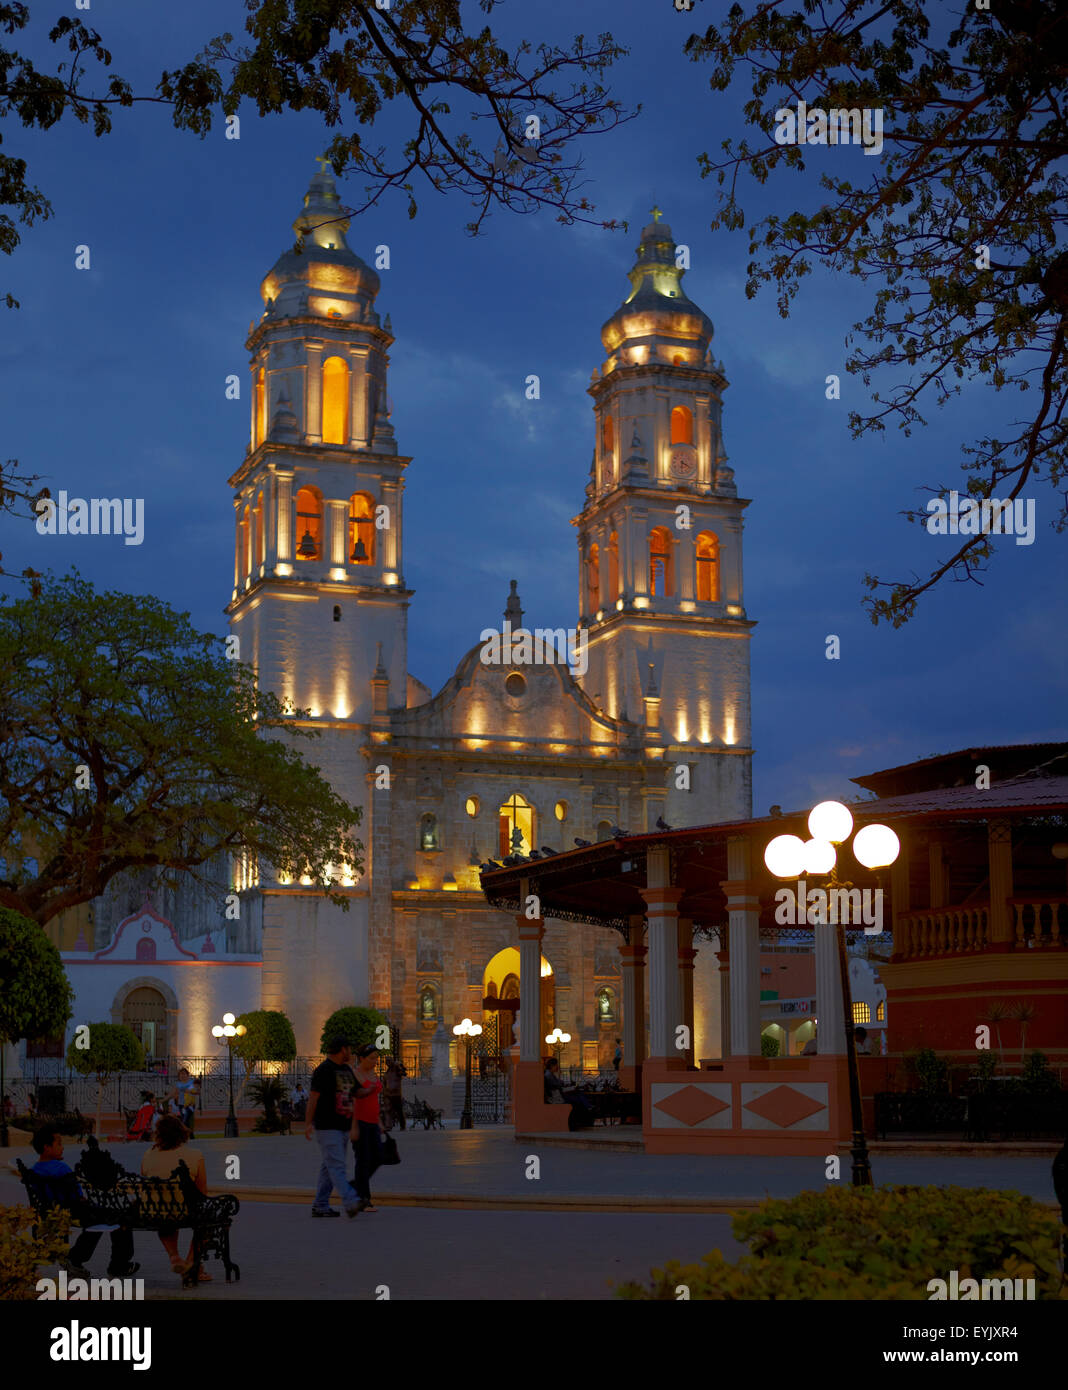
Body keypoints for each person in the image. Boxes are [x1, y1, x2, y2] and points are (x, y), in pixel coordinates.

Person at [31, 1126, 139, 1277]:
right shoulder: (61, 1168)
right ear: (47, 1148)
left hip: (54, 1210)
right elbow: (77, 1195)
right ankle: (117, 1264)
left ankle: (76, 1259)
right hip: (74, 1209)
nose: (62, 1148)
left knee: (102, 1218)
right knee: (119, 1217)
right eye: (59, 1144)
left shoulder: (35, 1170)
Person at [140, 1114, 210, 1281]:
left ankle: (174, 1256)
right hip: (183, 1211)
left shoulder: (148, 1154)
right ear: (182, 1133)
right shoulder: (195, 1155)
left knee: (166, 1214)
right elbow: (202, 1192)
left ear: (159, 1134)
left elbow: (144, 1177)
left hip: (153, 1211)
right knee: (211, 1220)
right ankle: (192, 1263)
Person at [306, 1038, 362, 1219]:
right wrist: (308, 1123)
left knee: (328, 1166)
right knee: (337, 1166)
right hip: (327, 1126)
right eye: (349, 1049)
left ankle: (320, 1204)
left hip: (343, 1125)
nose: (351, 1053)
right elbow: (313, 1098)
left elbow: (356, 1093)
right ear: (342, 1050)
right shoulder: (323, 1070)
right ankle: (351, 1200)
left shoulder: (346, 1070)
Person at [350, 1044, 385, 1212]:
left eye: (376, 1057)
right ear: (362, 1058)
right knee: (362, 1160)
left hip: (372, 1122)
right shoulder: (355, 1074)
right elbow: (354, 1101)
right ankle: (363, 1199)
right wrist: (354, 1126)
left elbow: (374, 1100)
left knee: (378, 1157)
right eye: (372, 1058)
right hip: (360, 1122)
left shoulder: (373, 1073)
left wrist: (378, 1121)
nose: (375, 1061)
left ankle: (356, 1185)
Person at [169, 1068, 199, 1133]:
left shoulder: (191, 1083)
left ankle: (189, 1136)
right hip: (181, 1105)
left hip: (189, 1105)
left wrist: (189, 1092)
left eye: (184, 1074)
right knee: (185, 1121)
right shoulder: (178, 1084)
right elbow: (175, 1093)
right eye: (180, 1074)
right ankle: (190, 1136)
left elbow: (197, 1092)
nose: (182, 1075)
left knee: (184, 1120)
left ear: (187, 1075)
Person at [382, 1058, 406, 1132]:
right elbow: (384, 1084)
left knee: (399, 1111)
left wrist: (398, 1064)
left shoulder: (396, 1070)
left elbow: (404, 1072)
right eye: (387, 1062)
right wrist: (384, 1093)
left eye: (389, 1061)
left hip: (396, 1095)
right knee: (388, 1111)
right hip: (388, 1095)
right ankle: (388, 1126)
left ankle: (402, 1126)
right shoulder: (387, 1073)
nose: (388, 1063)